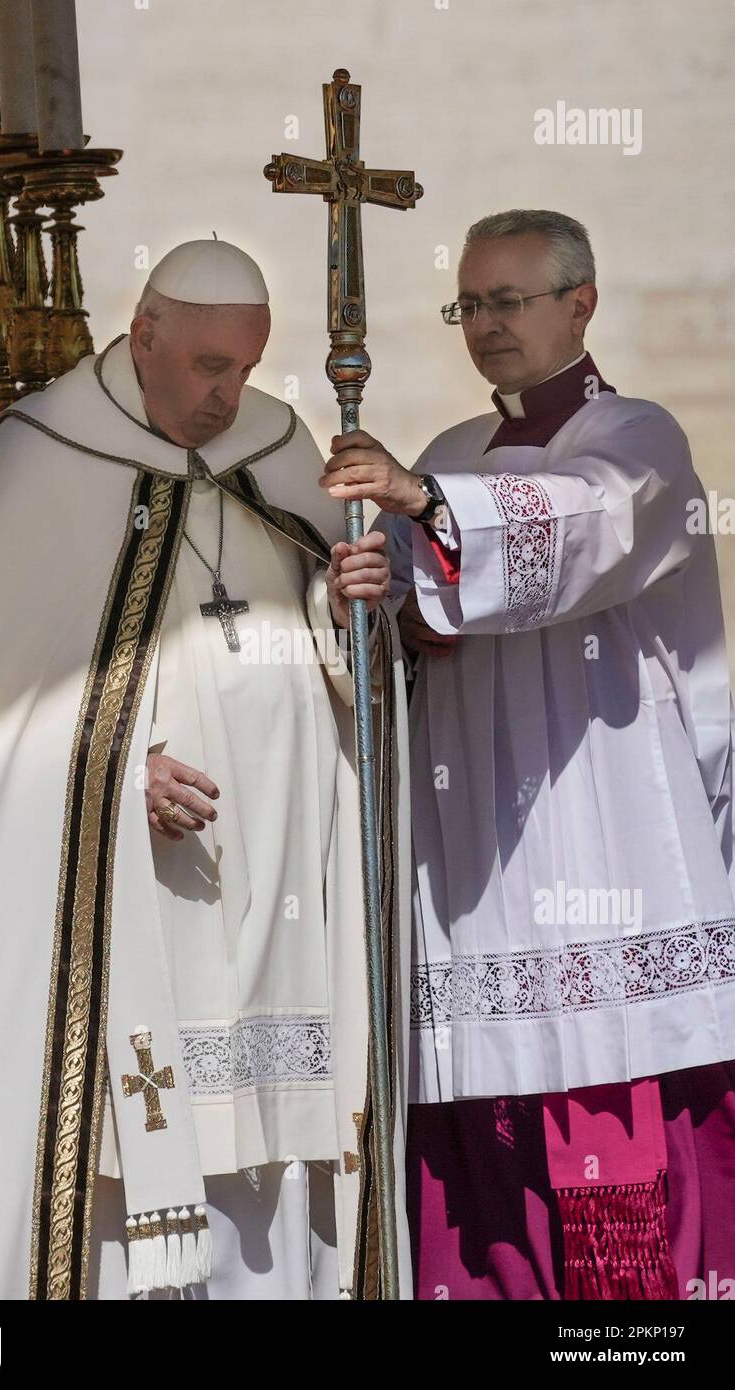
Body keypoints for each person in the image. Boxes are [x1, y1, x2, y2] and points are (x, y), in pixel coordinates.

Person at [0, 239, 412, 1300]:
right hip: (139, 878)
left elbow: (334, 641)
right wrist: (115, 770)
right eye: (206, 365)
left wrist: (344, 605)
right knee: (162, 1121)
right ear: (142, 331)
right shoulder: (42, 452)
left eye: (244, 367)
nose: (226, 394)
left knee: (276, 1127)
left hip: (286, 854)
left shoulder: (281, 447)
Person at [319, 209, 735, 1300]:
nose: (486, 326)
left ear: (580, 304)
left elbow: (593, 525)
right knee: (484, 1107)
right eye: (471, 304)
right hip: (475, 860)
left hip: (604, 834)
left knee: (604, 1094)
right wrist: (375, 605)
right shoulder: (451, 455)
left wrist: (421, 504)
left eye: (511, 300)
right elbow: (418, 628)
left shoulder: (637, 439)